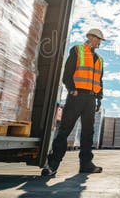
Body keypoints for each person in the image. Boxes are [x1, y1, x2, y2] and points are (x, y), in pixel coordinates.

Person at [43, 28, 106, 177]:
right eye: (98, 39)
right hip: (76, 96)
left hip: (91, 99)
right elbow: (67, 73)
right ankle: (52, 165)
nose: (99, 43)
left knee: (88, 133)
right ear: (90, 37)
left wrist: (99, 98)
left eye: (100, 40)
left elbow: (99, 80)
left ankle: (86, 164)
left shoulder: (100, 59)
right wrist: (71, 89)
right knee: (65, 130)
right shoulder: (77, 50)